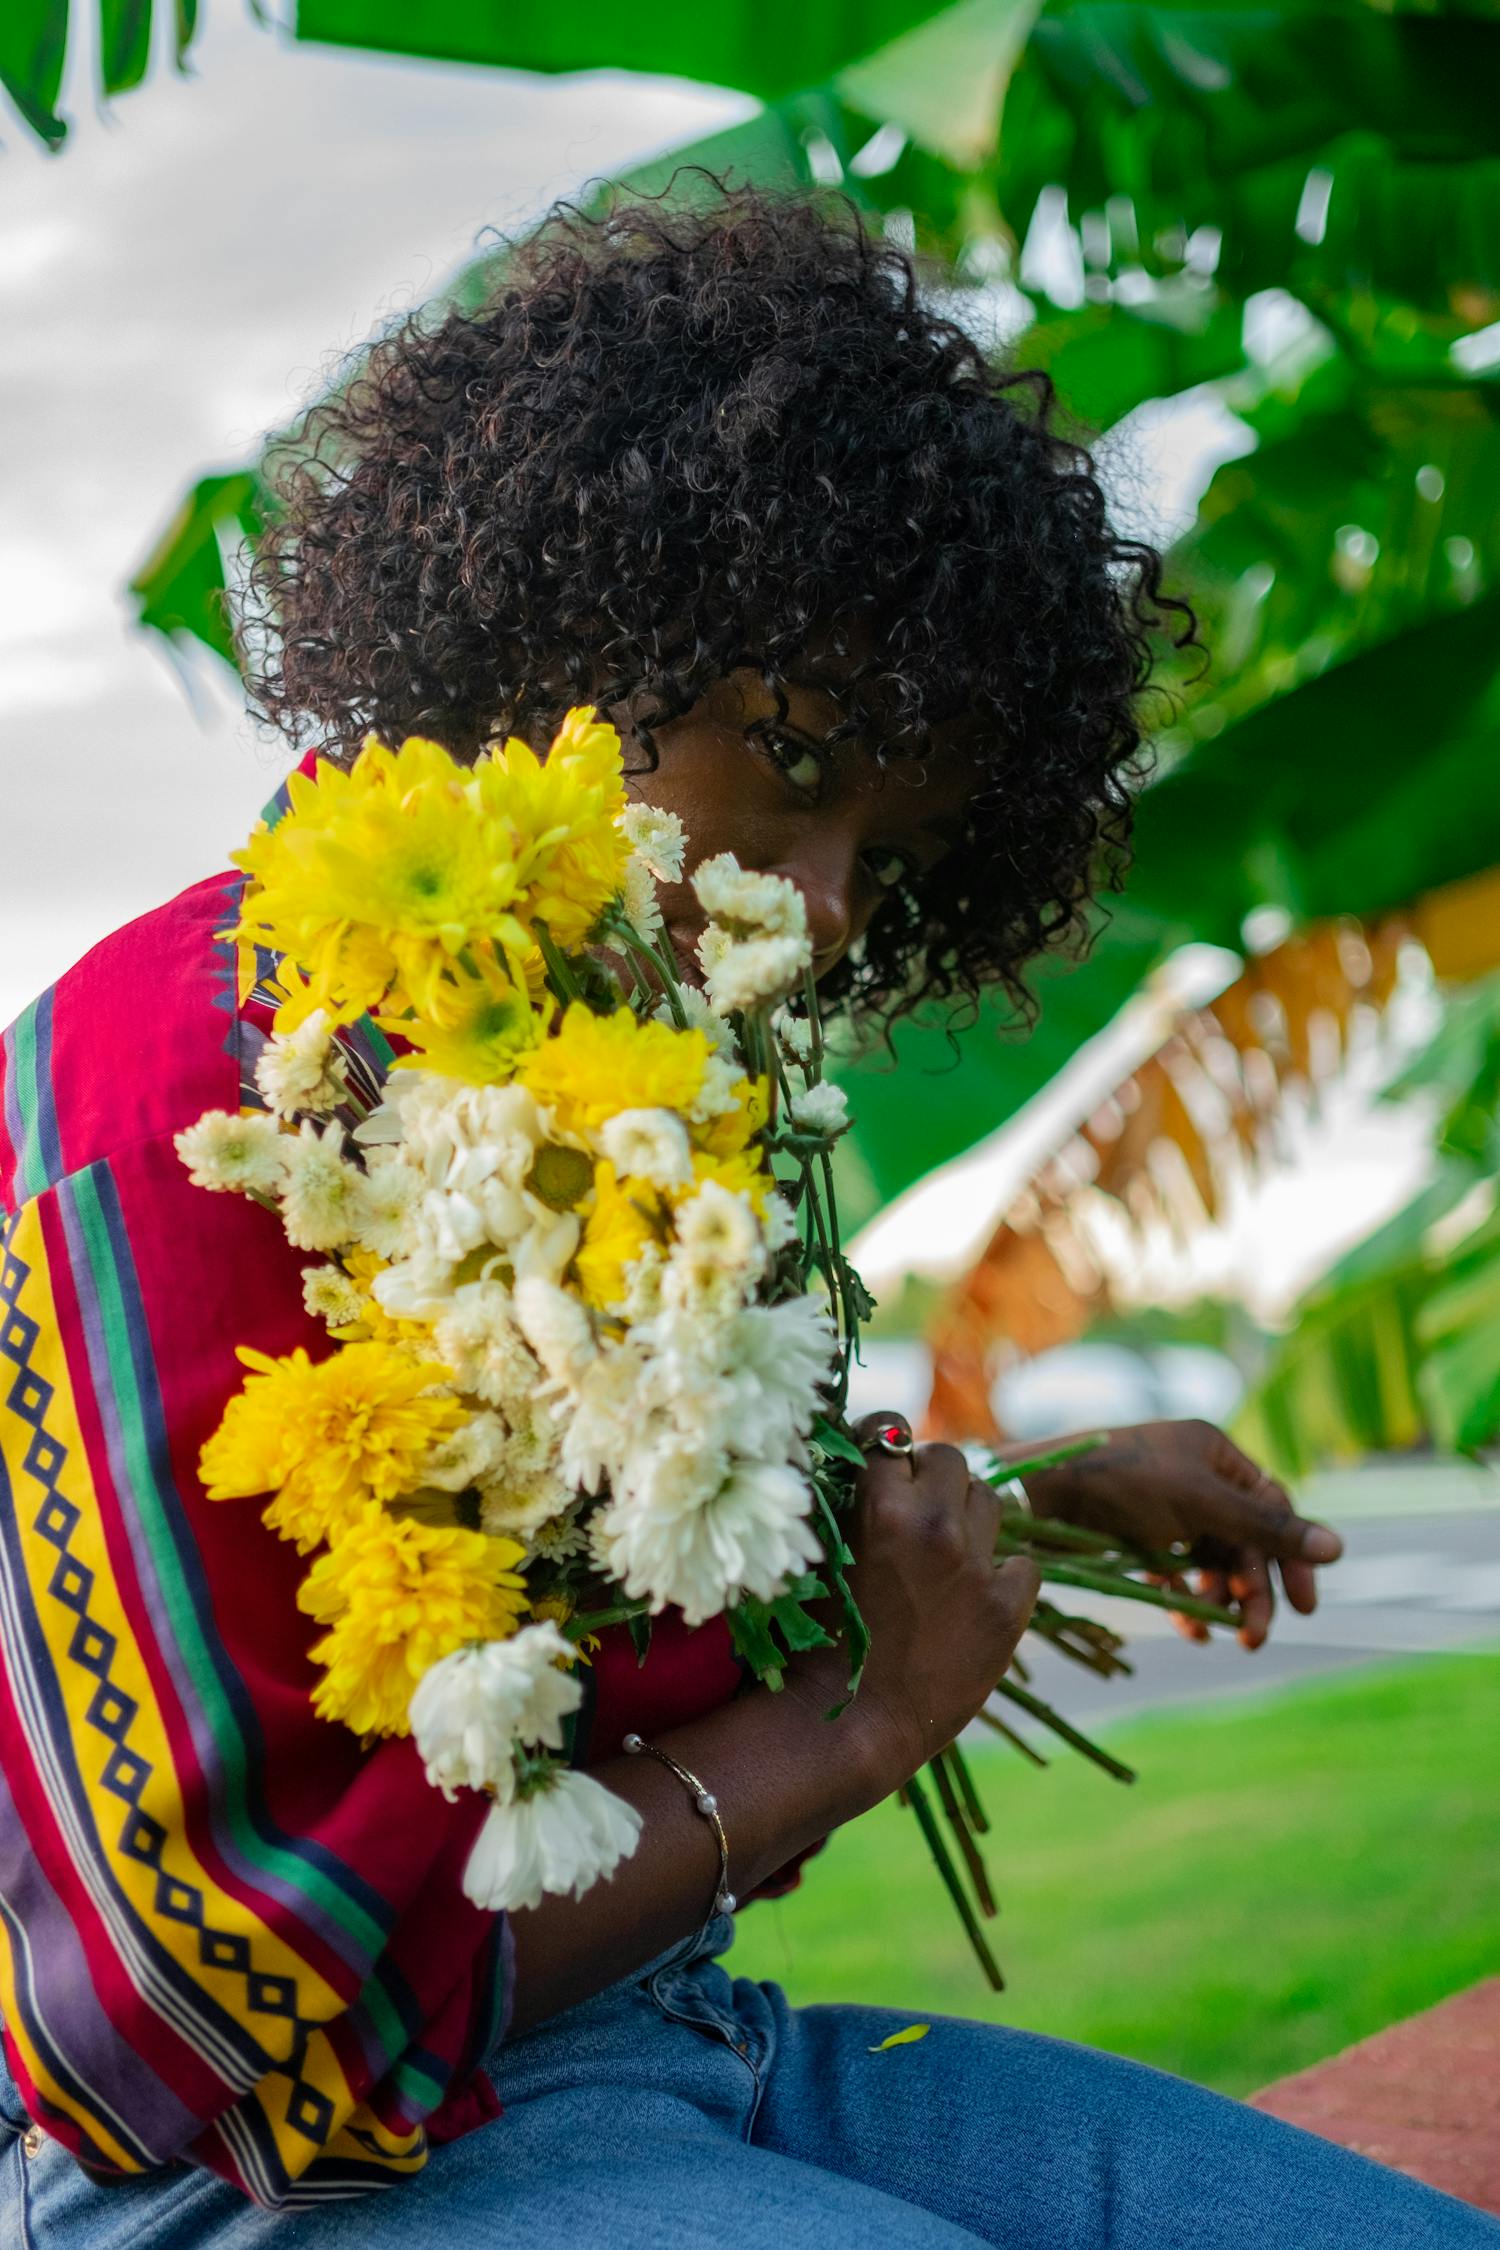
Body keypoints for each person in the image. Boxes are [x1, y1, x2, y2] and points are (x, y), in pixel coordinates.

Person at [1, 185, 1491, 2248]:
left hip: (655, 2052)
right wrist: (872, 1720)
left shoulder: (617, 1081)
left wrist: (1032, 1503)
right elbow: (179, 2023)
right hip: (256, 2180)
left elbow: (655, 1596)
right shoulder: (169, 1093)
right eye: (790, 765)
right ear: (555, 622)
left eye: (895, 846)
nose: (824, 902)